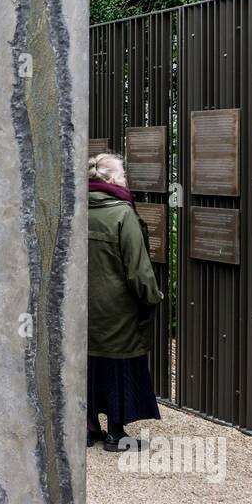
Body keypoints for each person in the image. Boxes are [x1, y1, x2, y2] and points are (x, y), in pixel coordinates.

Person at [87, 152, 163, 451]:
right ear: (109, 178)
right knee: (119, 365)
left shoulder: (76, 209)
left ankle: (89, 426)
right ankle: (116, 432)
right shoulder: (122, 214)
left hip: (85, 309)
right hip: (118, 309)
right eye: (122, 174)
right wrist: (151, 298)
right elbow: (138, 269)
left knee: (90, 363)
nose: (125, 179)